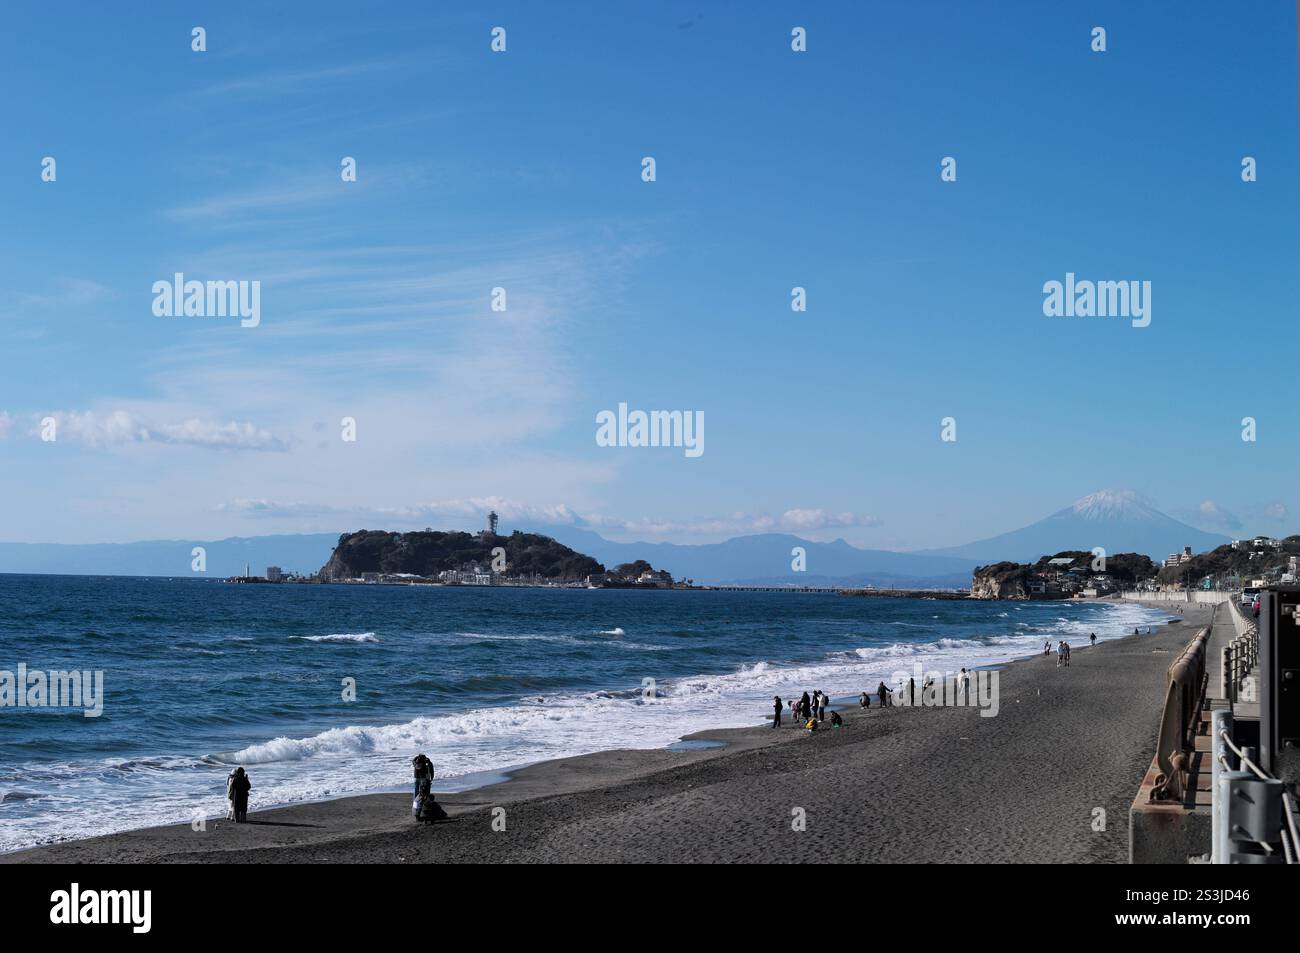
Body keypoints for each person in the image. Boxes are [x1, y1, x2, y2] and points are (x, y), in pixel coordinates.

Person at [412, 753, 446, 824]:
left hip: (416, 778)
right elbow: (431, 771)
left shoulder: (415, 762)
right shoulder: (427, 763)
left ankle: (416, 799)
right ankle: (426, 801)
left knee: (416, 791)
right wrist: (431, 778)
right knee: (425, 793)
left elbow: (414, 763)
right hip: (423, 778)